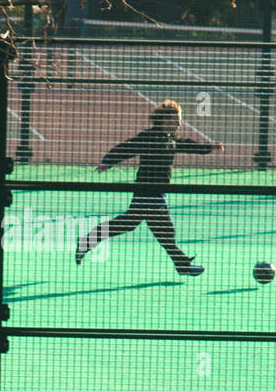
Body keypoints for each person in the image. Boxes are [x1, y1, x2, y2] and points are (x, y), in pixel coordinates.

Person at [75, 100, 222, 275]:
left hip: (157, 193)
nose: (180, 124)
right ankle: (182, 265)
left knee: (152, 229)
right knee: (153, 229)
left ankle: (182, 265)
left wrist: (209, 147)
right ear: (165, 120)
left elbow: (188, 145)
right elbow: (128, 147)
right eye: (177, 120)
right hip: (146, 192)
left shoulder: (170, 139)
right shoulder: (149, 137)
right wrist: (108, 161)